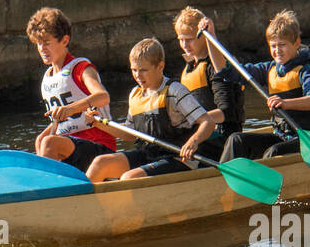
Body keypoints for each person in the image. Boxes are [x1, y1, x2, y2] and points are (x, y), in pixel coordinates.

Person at [204, 9, 310, 163]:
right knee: (236, 139)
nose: (277, 50)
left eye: (282, 45)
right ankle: (223, 182)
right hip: (283, 136)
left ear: (296, 42)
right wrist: (210, 37)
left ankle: (262, 183)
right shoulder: (269, 69)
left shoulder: (308, 70)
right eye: (273, 45)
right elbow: (225, 70)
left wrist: (285, 103)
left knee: (274, 151)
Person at [85, 37, 219, 182]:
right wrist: (99, 124)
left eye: (143, 70)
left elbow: (208, 122)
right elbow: (130, 134)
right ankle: (81, 202)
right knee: (100, 163)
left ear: (160, 66)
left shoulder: (174, 91)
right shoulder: (135, 94)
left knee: (129, 177)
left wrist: (193, 141)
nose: (137, 75)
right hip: (148, 154)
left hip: (178, 157)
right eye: (134, 70)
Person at [28, 6, 115, 174]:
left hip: (100, 147)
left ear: (65, 41)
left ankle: (46, 191)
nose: (42, 49)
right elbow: (65, 124)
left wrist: (71, 109)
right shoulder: (48, 77)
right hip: (72, 147)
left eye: (47, 43)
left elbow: (103, 97)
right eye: (39, 43)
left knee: (49, 143)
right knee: (41, 140)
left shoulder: (81, 68)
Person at [174, 6, 245, 161]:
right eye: (181, 40)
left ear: (203, 36)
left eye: (190, 39)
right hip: (201, 133)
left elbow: (227, 112)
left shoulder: (216, 67)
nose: (185, 45)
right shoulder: (189, 69)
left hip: (224, 137)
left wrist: (194, 121)